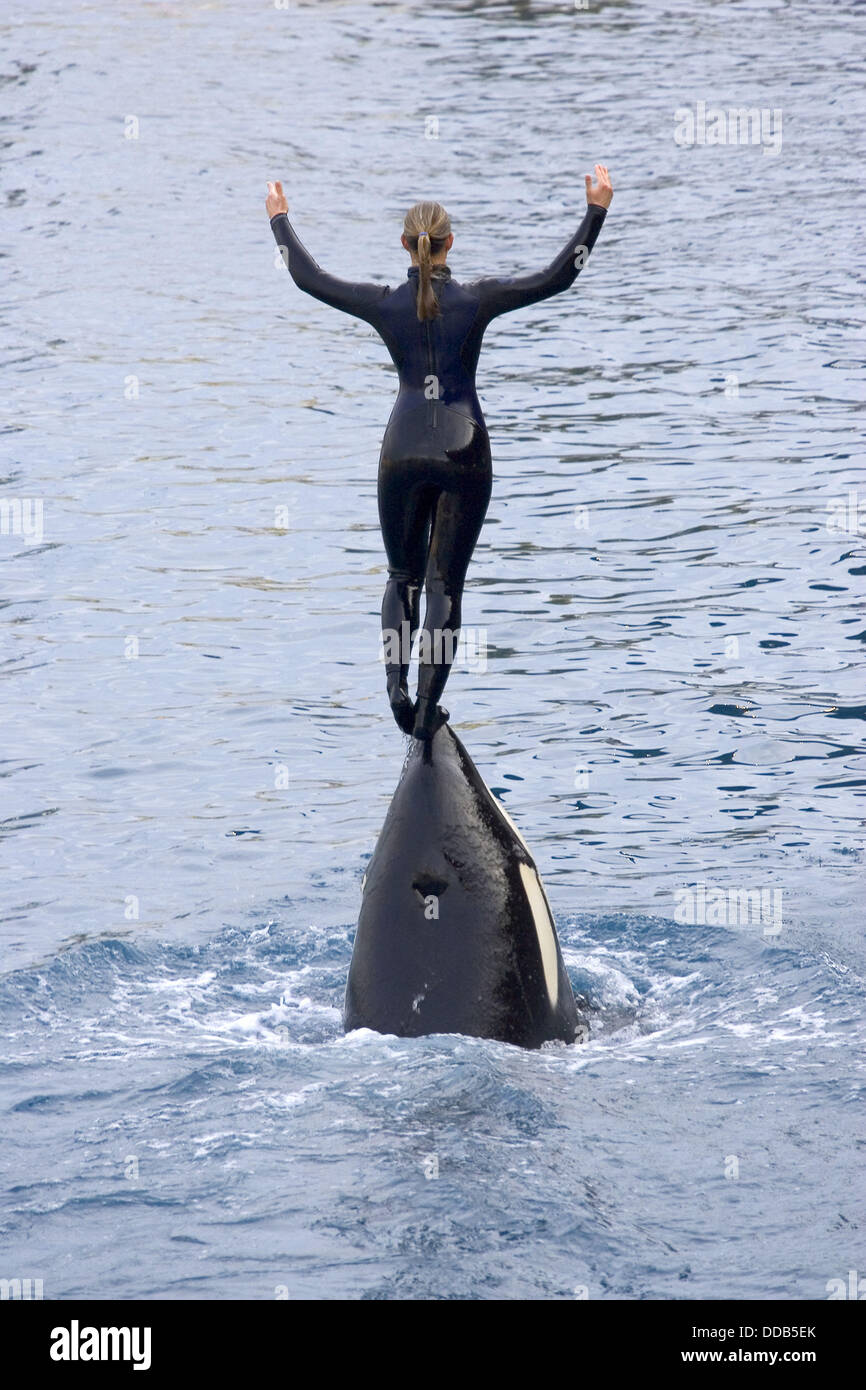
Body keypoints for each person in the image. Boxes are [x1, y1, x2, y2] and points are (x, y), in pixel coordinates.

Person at [266, 168, 612, 739]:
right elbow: (558, 279)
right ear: (450, 243)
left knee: (402, 576)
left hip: (402, 449)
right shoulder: (479, 299)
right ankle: (428, 708)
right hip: (462, 447)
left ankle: (396, 691)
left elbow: (307, 278)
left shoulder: (384, 303)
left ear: (406, 246)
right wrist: (595, 211)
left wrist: (279, 217)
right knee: (444, 586)